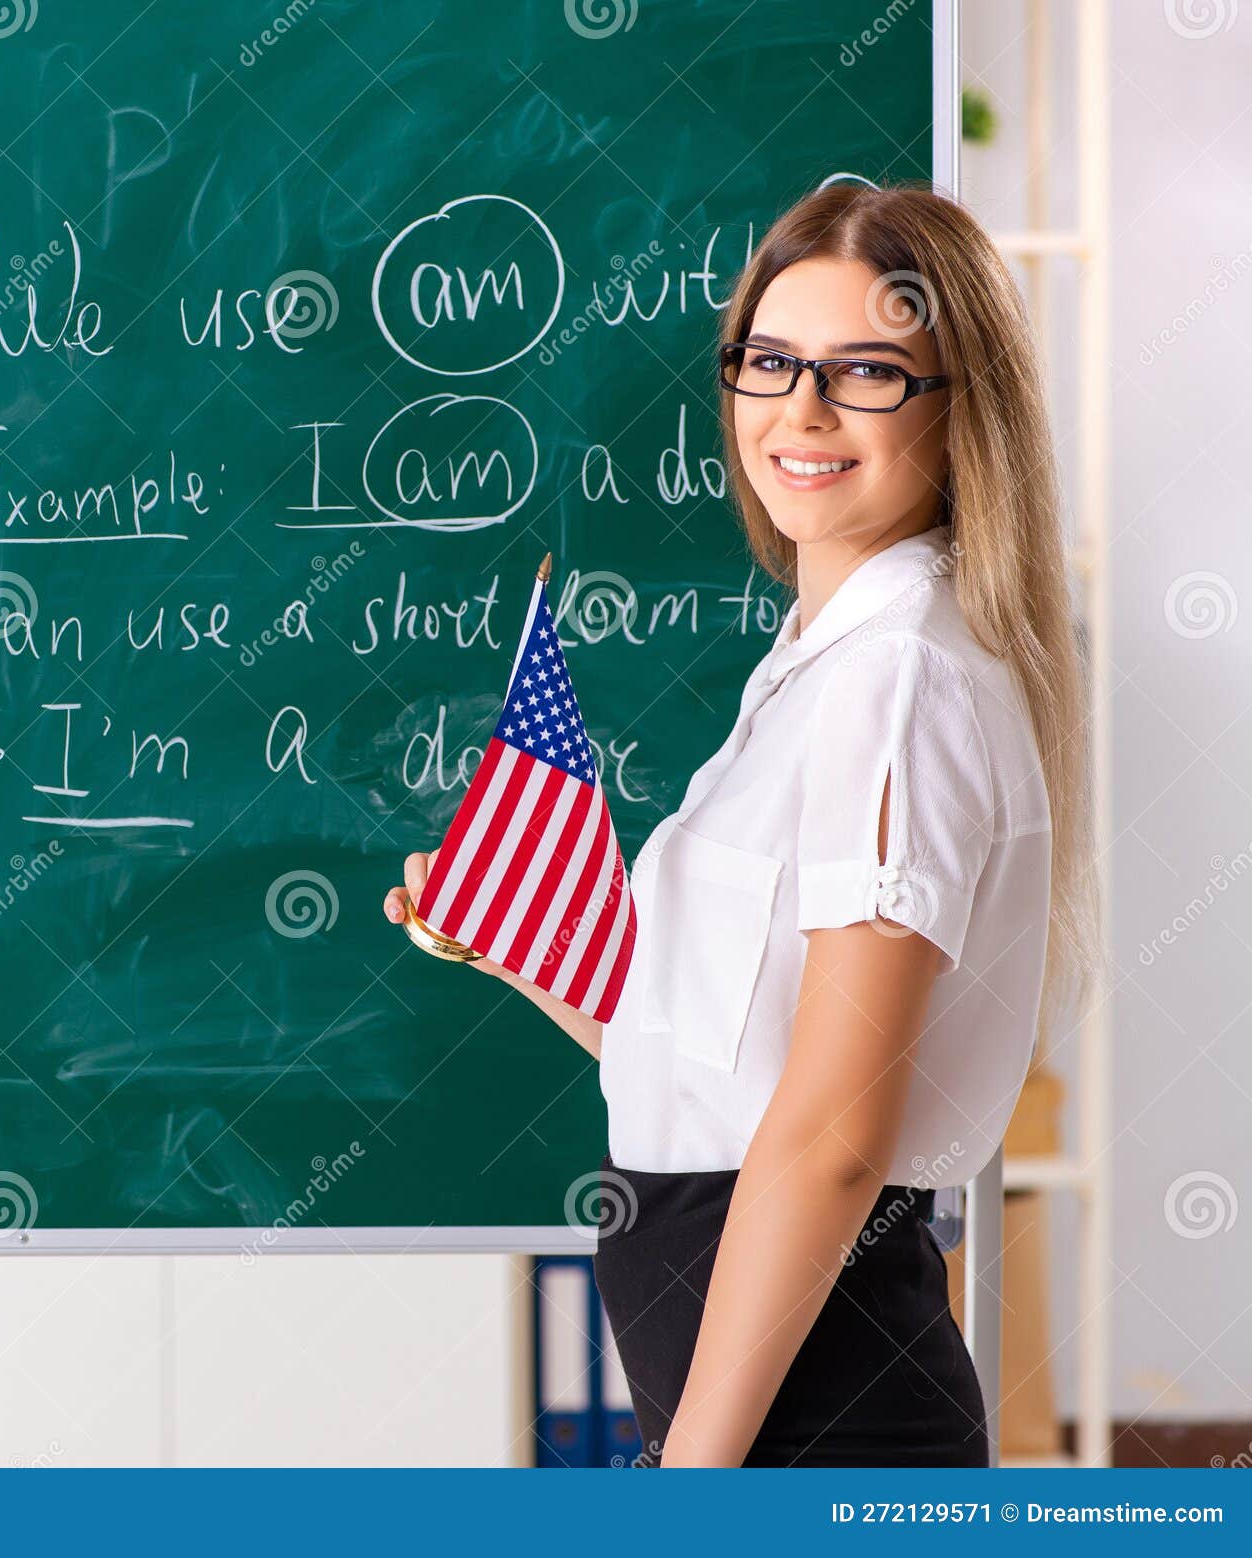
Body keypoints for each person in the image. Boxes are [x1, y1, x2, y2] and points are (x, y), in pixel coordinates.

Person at [384, 179, 1099, 1467]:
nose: (801, 414)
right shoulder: (824, 663)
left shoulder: (899, 678)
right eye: (771, 362)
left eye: (868, 373)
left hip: (814, 1421)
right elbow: (724, 1064)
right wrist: (511, 942)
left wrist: (692, 1482)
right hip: (770, 1409)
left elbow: (831, 1132)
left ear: (962, 409)